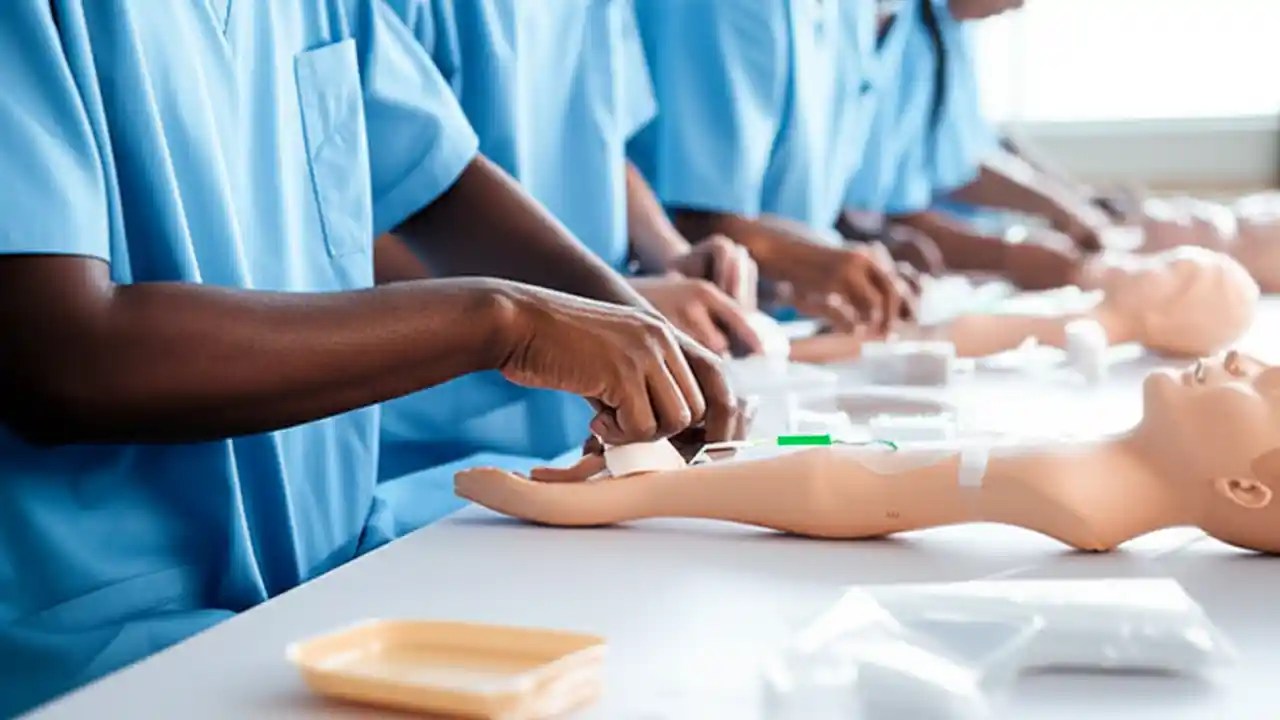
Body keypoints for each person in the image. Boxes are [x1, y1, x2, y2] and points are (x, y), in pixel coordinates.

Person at [0, 1, 736, 714]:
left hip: (331, 572)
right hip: (101, 638)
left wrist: (632, 324)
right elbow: (62, 352)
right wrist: (504, 320)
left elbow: (435, 176)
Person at [375, 0, 764, 487]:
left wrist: (667, 252)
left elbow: (603, 135)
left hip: (589, 419)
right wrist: (598, 304)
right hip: (436, 441)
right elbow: (383, 201)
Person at [629, 0, 917, 335]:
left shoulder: (851, 14)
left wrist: (846, 263)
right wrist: (811, 261)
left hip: (757, 326)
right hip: (654, 323)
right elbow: (697, 218)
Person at [843, 0, 1113, 291]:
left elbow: (965, 155)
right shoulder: (898, 35)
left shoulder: (944, 31)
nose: (1019, 6)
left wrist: (1071, 206)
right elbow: (890, 211)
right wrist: (1011, 257)